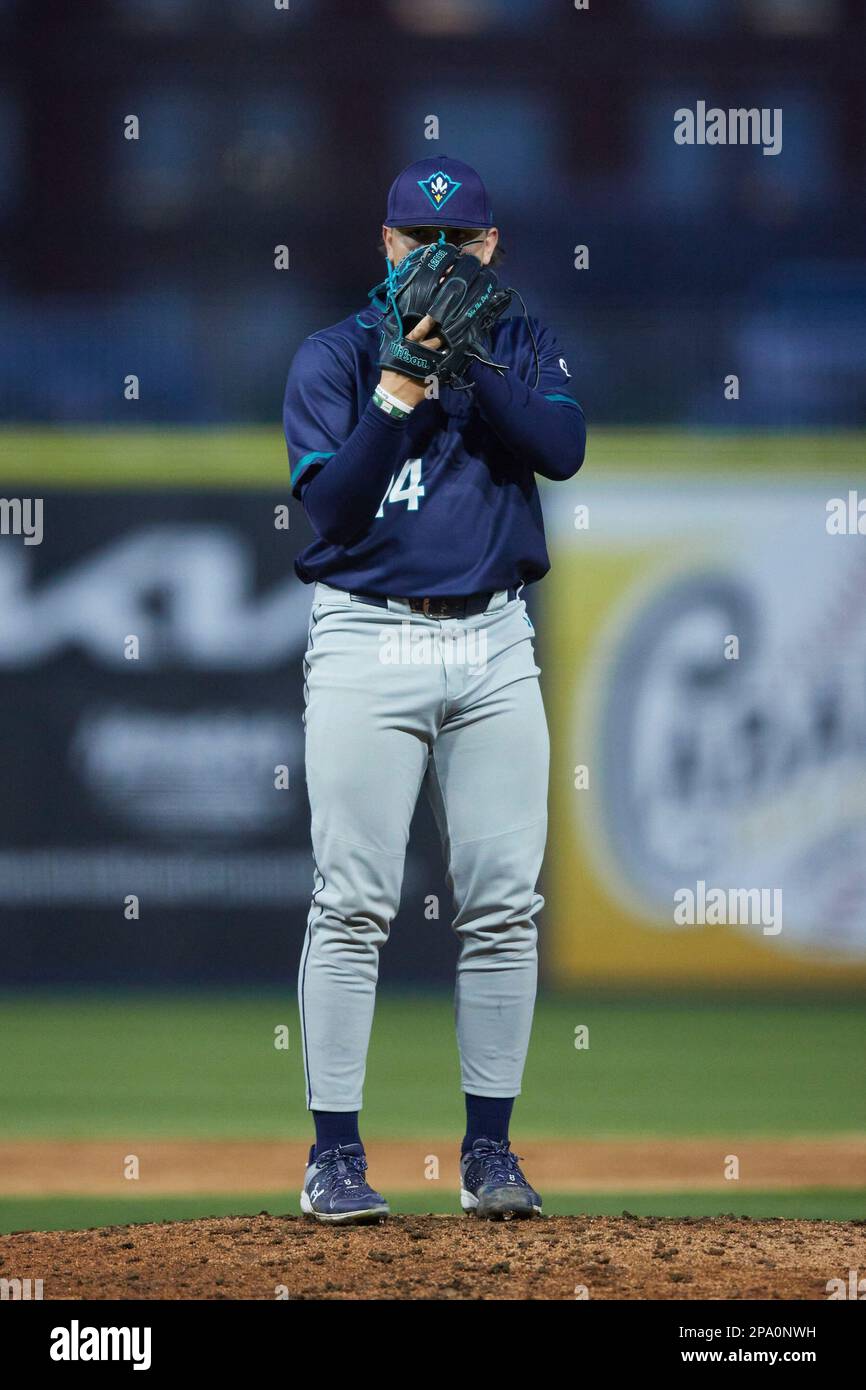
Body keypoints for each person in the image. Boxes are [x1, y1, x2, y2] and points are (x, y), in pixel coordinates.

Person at [283, 155, 586, 1223]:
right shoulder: (331, 355)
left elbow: (562, 449)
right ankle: (333, 1156)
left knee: (503, 904)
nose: (443, 260)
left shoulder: (517, 339)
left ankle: (489, 1154)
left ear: (491, 250)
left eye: (463, 245)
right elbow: (337, 509)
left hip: (495, 641)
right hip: (369, 637)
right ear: (387, 245)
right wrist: (401, 387)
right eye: (422, 242)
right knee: (354, 899)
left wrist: (477, 368)